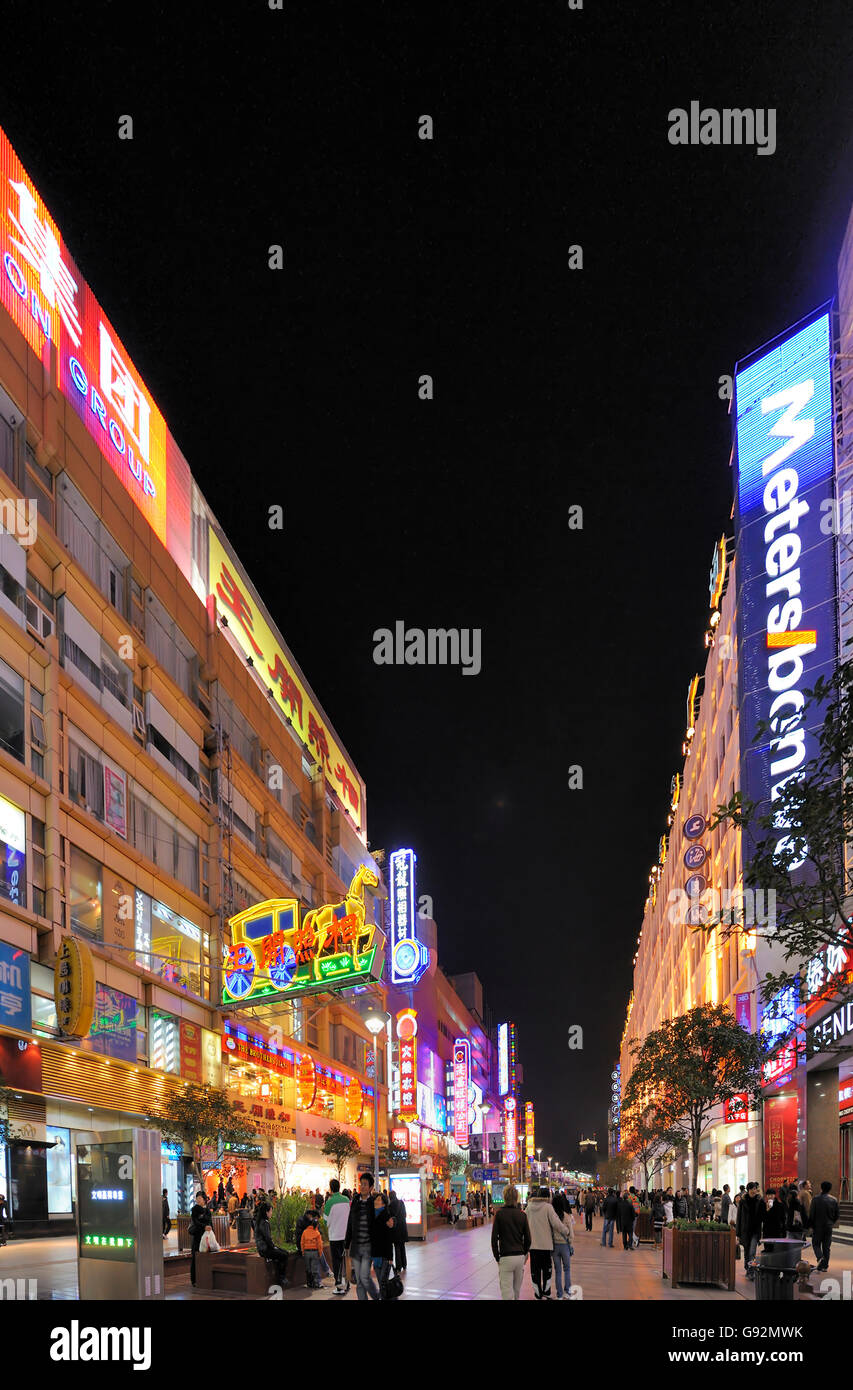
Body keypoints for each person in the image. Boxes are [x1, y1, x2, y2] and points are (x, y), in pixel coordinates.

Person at [344, 1172, 388, 1302]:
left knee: (364, 1277)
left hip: (369, 1247)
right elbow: (350, 1223)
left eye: (365, 1184)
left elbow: (384, 1214)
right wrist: (347, 1244)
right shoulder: (355, 1202)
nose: (362, 1187)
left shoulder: (373, 1202)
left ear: (370, 1187)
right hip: (356, 1247)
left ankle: (376, 1296)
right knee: (359, 1281)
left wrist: (392, 1222)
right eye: (361, 1184)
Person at [526, 1185, 571, 1299]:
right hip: (546, 1246)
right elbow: (556, 1223)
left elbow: (524, 1224)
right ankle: (546, 1292)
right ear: (547, 1197)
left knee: (535, 1271)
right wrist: (566, 1231)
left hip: (533, 1246)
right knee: (547, 1270)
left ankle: (537, 1293)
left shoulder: (529, 1207)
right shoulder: (548, 1207)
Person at [491, 1185, 531, 1300]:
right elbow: (528, 1239)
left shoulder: (499, 1214)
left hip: (505, 1256)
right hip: (519, 1257)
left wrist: (497, 1257)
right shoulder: (522, 1215)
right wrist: (524, 1252)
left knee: (507, 1291)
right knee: (516, 1291)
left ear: (504, 1197)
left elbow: (494, 1239)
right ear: (516, 1198)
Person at [254, 1200, 290, 1288]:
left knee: (282, 1253)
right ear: (266, 1212)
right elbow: (268, 1238)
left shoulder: (260, 1221)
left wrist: (274, 1247)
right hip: (265, 1249)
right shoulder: (264, 1223)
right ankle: (281, 1278)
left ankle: (280, 1276)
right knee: (284, 1255)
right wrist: (274, 1247)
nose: (271, 1213)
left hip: (263, 1248)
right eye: (271, 1211)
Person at [324, 1178, 352, 1293]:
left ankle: (339, 1285)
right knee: (346, 1260)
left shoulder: (329, 1202)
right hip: (345, 1235)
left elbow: (326, 1221)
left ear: (331, 1188)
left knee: (336, 1261)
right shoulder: (346, 1200)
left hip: (335, 1236)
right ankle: (347, 1283)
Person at [810, 1180, 840, 1272]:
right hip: (828, 1226)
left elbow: (812, 1214)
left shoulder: (815, 1199)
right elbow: (837, 1215)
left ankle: (820, 1257)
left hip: (818, 1226)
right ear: (830, 1189)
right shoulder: (834, 1200)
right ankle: (824, 1266)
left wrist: (811, 1225)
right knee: (826, 1247)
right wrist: (831, 1222)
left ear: (821, 1188)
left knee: (816, 1244)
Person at [551, 1190, 575, 1299]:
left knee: (558, 1271)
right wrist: (570, 1243)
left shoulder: (552, 1217)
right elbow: (571, 1234)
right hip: (565, 1245)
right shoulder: (566, 1216)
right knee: (567, 1269)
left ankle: (559, 1294)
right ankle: (568, 1292)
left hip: (554, 1246)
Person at [737, 1182, 763, 1279]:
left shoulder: (759, 1201)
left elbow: (762, 1216)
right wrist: (738, 1233)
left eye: (754, 1188)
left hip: (755, 1231)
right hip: (745, 1231)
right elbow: (739, 1218)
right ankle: (748, 1268)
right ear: (748, 1190)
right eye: (751, 1189)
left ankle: (751, 1271)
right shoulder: (743, 1201)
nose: (753, 1190)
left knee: (752, 1251)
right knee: (747, 1252)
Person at [301, 1207, 326, 1289]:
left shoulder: (305, 1232)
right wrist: (319, 1253)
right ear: (317, 1225)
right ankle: (316, 1283)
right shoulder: (317, 1233)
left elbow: (302, 1242)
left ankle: (309, 1283)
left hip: (307, 1252)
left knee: (308, 1268)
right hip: (315, 1252)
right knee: (314, 1268)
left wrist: (303, 1251)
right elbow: (319, 1245)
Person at [189, 1191, 209, 1286]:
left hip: (205, 1237)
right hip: (197, 1237)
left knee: (204, 1257)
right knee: (195, 1257)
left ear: (204, 1200)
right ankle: (194, 1280)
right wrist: (203, 1226)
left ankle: (203, 1277)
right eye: (197, 1198)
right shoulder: (194, 1209)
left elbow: (210, 1222)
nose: (198, 1200)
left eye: (200, 1198)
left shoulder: (207, 1210)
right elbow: (195, 1222)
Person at [388, 1187, 409, 1274]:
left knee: (397, 1247)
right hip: (403, 1227)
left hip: (396, 1229)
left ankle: (398, 1266)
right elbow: (405, 1214)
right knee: (402, 1246)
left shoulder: (390, 1206)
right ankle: (404, 1264)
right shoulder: (401, 1202)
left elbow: (390, 1218)